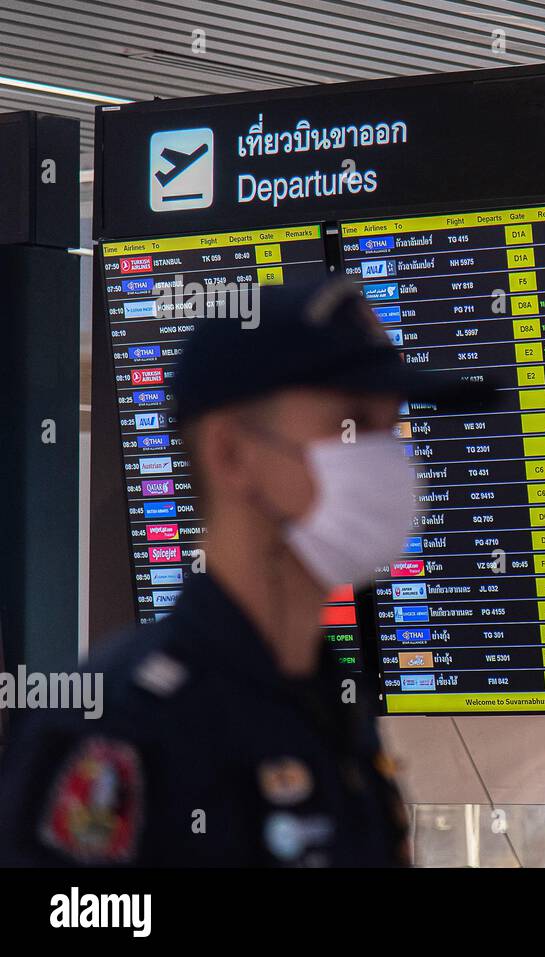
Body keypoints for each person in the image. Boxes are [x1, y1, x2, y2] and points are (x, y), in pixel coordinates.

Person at [0, 278, 487, 866]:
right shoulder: (116, 727)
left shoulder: (328, 706)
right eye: (354, 422)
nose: (388, 459)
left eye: (392, 426)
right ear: (231, 455)